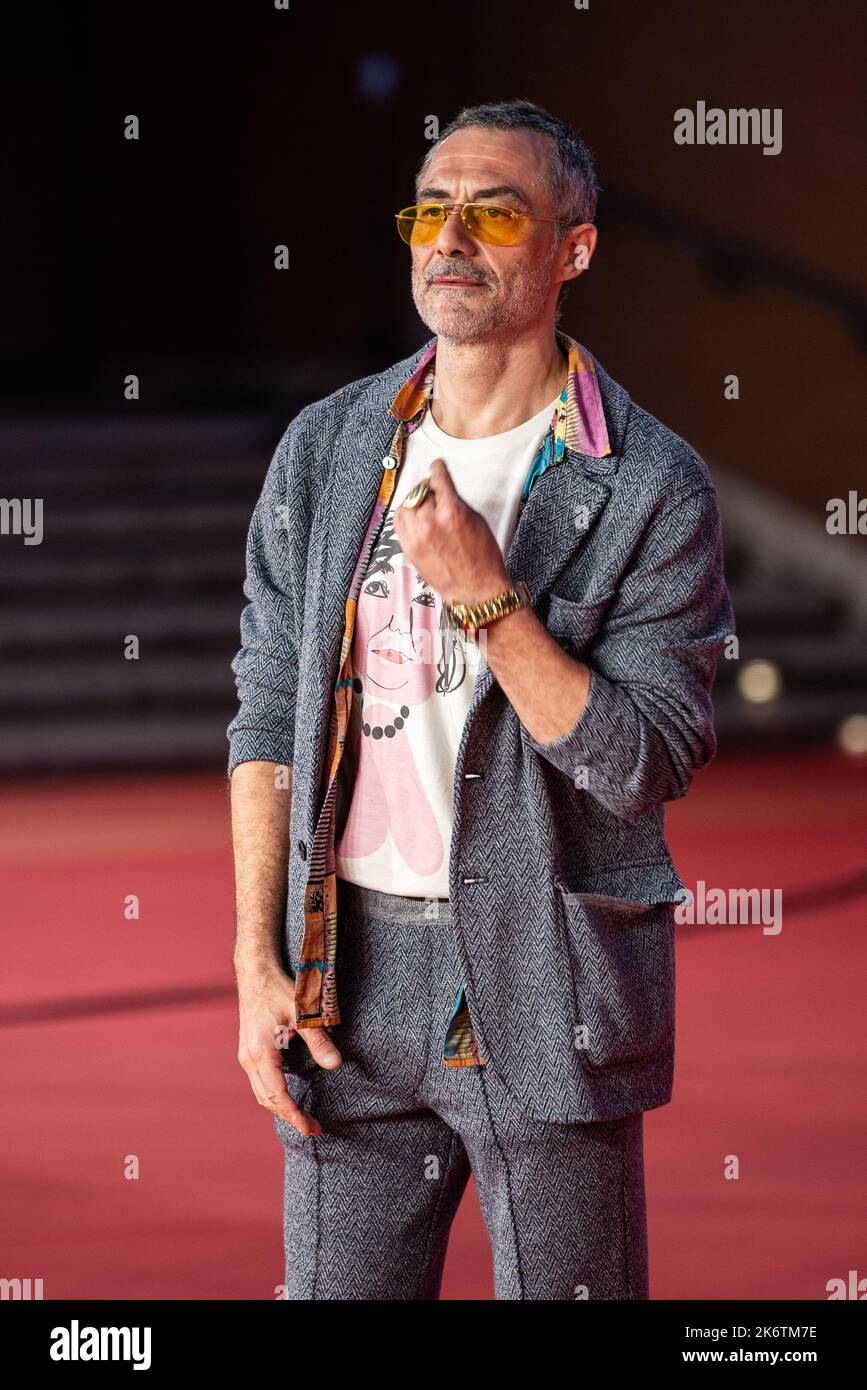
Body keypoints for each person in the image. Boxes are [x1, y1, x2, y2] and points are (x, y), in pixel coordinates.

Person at [227, 98, 734, 1300]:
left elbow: (644, 759)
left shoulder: (651, 483)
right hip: (339, 978)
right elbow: (267, 707)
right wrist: (256, 952)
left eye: (495, 211)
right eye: (431, 209)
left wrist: (490, 601)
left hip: (547, 978)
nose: (449, 237)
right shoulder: (331, 446)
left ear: (575, 247)